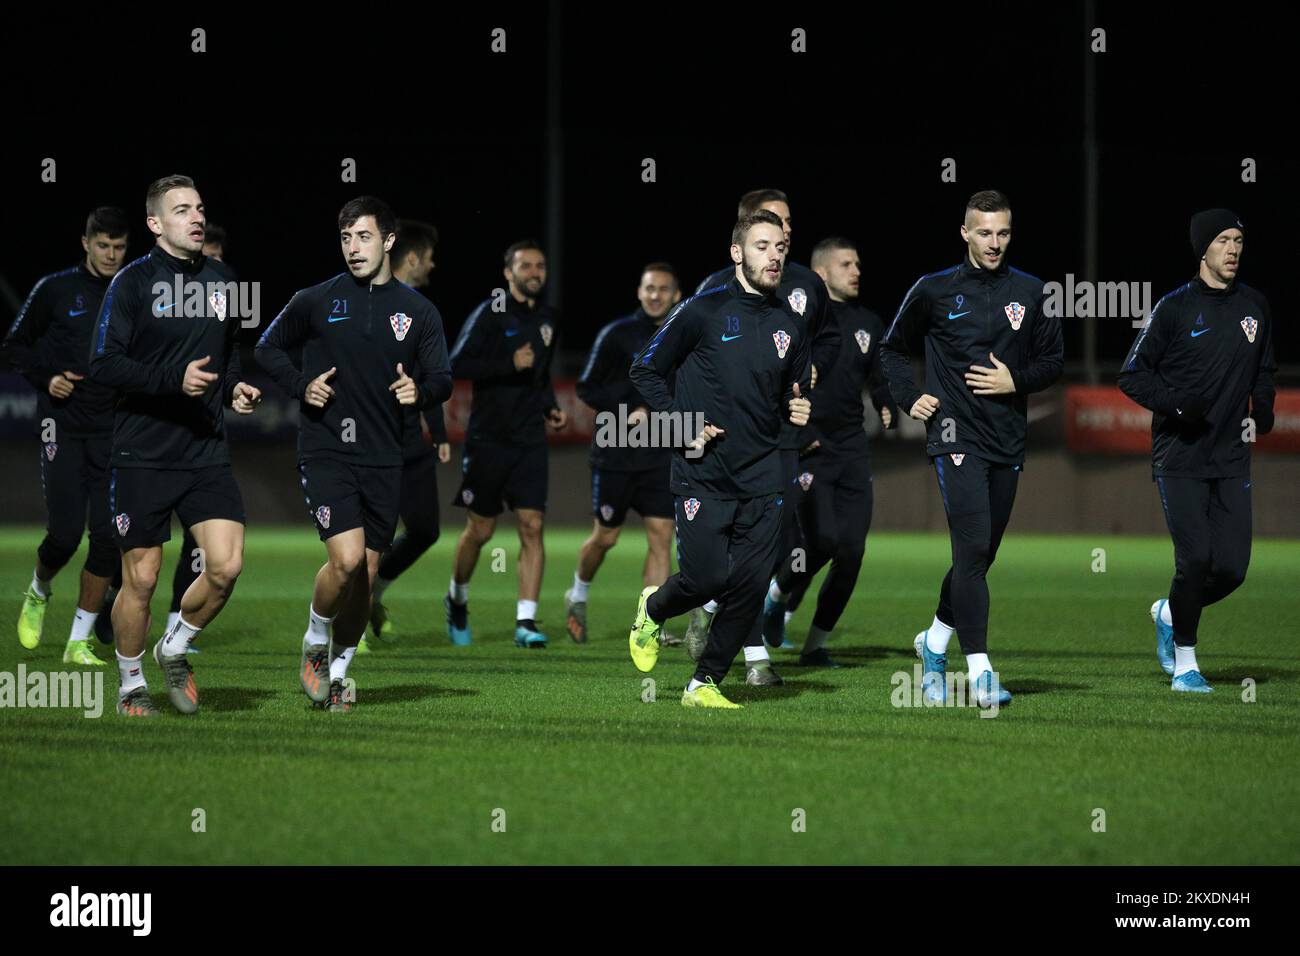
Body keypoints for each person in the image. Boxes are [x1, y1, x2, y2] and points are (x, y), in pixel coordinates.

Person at [256, 197, 452, 712]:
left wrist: (421, 393)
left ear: (389, 241)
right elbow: (266, 347)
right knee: (344, 562)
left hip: (387, 458)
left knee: (364, 575)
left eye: (362, 237)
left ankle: (340, 671)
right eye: (345, 238)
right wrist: (301, 386)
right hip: (326, 452)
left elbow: (442, 378)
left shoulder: (418, 311)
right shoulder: (315, 300)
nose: (352, 248)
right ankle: (315, 642)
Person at [879, 189, 1062, 709]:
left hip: (1007, 438)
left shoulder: (1033, 291)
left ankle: (933, 644)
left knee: (978, 555)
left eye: (1003, 232)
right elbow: (893, 348)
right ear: (965, 233)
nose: (994, 242)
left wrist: (1016, 382)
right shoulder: (933, 290)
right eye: (984, 232)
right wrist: (910, 396)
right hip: (954, 434)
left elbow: (1052, 361)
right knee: (974, 547)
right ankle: (980, 672)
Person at [89, 175, 261, 717]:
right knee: (140, 578)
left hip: (205, 449)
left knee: (226, 566)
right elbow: (103, 363)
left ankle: (177, 643)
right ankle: (131, 685)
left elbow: (232, 350)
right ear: (155, 224)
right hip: (143, 453)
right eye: (181, 209)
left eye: (200, 207)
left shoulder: (224, 280)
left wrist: (235, 386)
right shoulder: (133, 283)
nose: (195, 217)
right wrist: (172, 379)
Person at [626, 210, 811, 709]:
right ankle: (654, 605)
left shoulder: (789, 325)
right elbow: (644, 370)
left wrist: (797, 408)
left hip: (764, 473)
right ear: (737, 253)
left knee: (749, 586)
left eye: (780, 248)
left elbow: (790, 396)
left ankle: (703, 684)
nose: (774, 256)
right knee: (707, 580)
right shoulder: (700, 310)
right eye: (761, 246)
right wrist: (683, 423)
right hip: (703, 471)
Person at [1118, 208, 1275, 692]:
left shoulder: (1255, 307)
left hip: (1230, 458)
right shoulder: (1174, 308)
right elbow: (1132, 375)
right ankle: (1186, 663)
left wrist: (1263, 409)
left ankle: (1170, 610)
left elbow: (1264, 369)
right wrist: (1179, 407)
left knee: (1231, 569)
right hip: (1180, 456)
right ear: (1203, 248)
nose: (1233, 250)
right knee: (1196, 561)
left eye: (1238, 241)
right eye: (1223, 240)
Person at [687, 188, 840, 682]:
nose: (782, 234)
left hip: (781, 438)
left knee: (773, 544)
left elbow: (828, 340)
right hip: (727, 443)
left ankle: (713, 606)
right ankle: (753, 656)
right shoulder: (711, 292)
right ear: (742, 233)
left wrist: (813, 369)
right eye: (771, 224)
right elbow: (682, 363)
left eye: (787, 224)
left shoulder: (807, 287)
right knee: (737, 550)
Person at [4, 207, 130, 665]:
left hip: (113, 432)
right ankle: (39, 590)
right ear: (86, 243)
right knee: (63, 535)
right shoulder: (55, 289)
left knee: (106, 539)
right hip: (63, 427)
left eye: (119, 247)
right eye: (103, 246)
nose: (111, 255)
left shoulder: (132, 294)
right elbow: (14, 346)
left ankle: (78, 641)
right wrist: (48, 377)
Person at [763, 237, 897, 666]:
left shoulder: (870, 323)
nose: (857, 270)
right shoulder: (800, 320)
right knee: (820, 541)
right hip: (809, 444)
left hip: (852, 448)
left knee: (853, 551)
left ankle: (815, 646)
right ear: (821, 274)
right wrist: (803, 433)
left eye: (857, 262)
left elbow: (878, 377)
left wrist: (886, 402)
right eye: (846, 263)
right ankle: (777, 596)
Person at [445, 240, 566, 648]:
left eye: (540, 266)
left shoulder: (548, 318)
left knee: (533, 526)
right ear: (508, 273)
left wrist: (550, 406)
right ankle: (457, 597)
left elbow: (541, 375)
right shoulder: (490, 313)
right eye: (526, 265)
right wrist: (507, 364)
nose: (535, 272)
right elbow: (455, 364)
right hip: (489, 440)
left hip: (530, 438)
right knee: (480, 531)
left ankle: (526, 622)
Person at [566, 263, 680, 644]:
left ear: (676, 295)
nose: (655, 295)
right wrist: (627, 408)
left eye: (663, 289)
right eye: (649, 288)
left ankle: (651, 622)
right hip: (616, 453)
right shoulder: (616, 334)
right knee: (606, 538)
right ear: (639, 291)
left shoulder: (683, 335)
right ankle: (578, 594)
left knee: (661, 536)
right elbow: (586, 388)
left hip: (661, 454)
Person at [365, 220, 452, 651]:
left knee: (425, 529)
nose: (433, 265)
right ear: (413, 258)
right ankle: (348, 623)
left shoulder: (421, 310)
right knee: (367, 536)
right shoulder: (363, 301)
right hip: (369, 438)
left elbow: (432, 377)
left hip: (408, 440)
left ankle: (373, 592)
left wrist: (437, 432)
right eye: (429, 257)